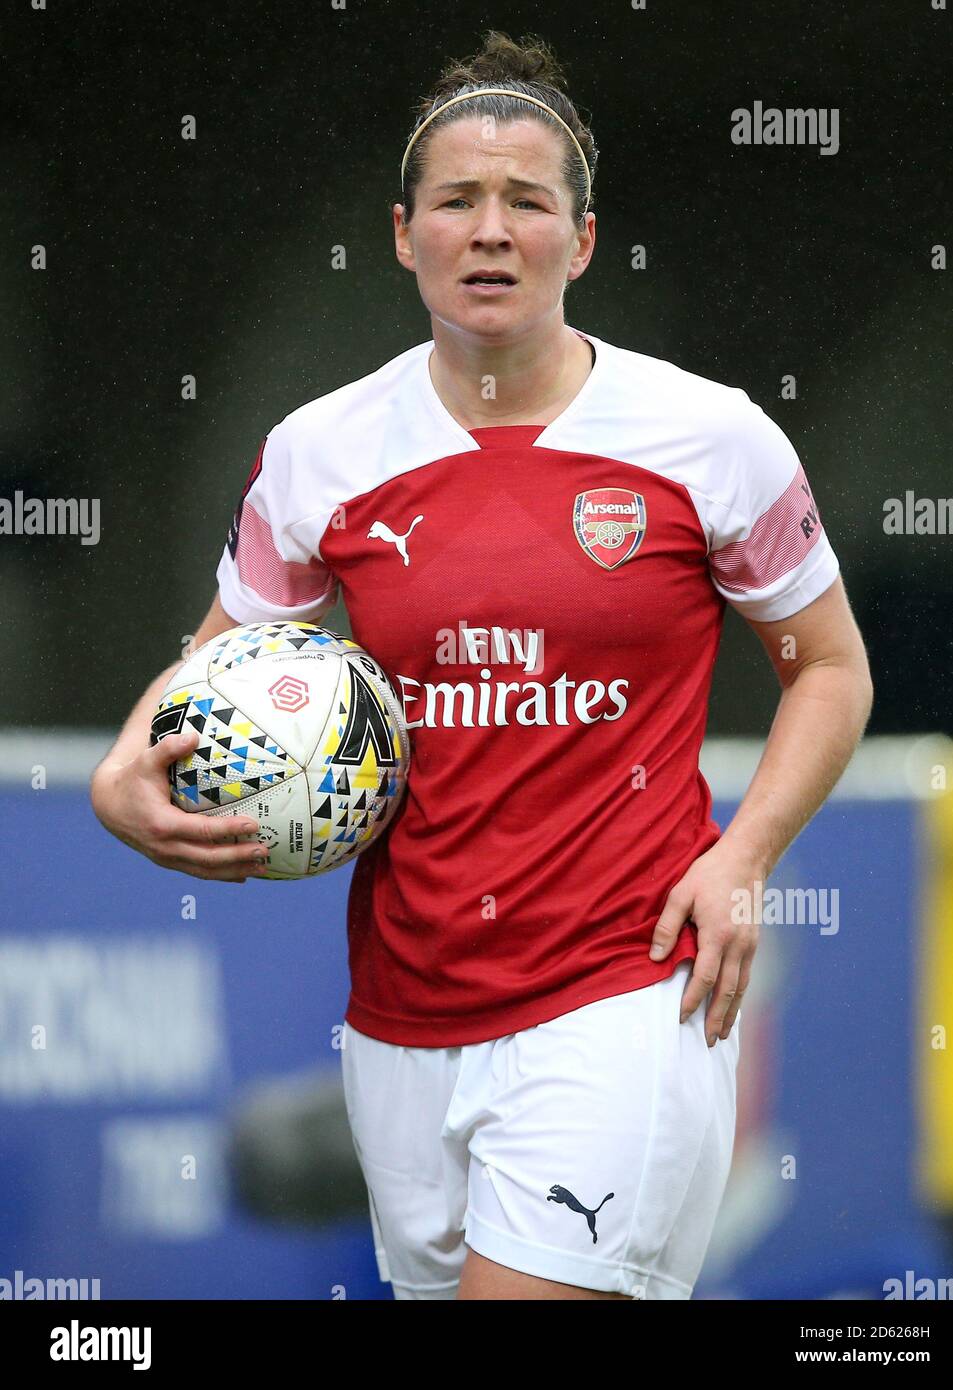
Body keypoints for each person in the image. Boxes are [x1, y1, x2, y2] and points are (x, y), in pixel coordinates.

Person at [90, 30, 874, 1300]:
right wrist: (123, 775)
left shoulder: (710, 436)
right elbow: (214, 662)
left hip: (623, 989)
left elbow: (829, 670)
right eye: (459, 199)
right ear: (404, 235)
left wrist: (743, 854)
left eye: (528, 201)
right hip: (401, 1014)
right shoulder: (318, 451)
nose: (492, 228)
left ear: (585, 238)